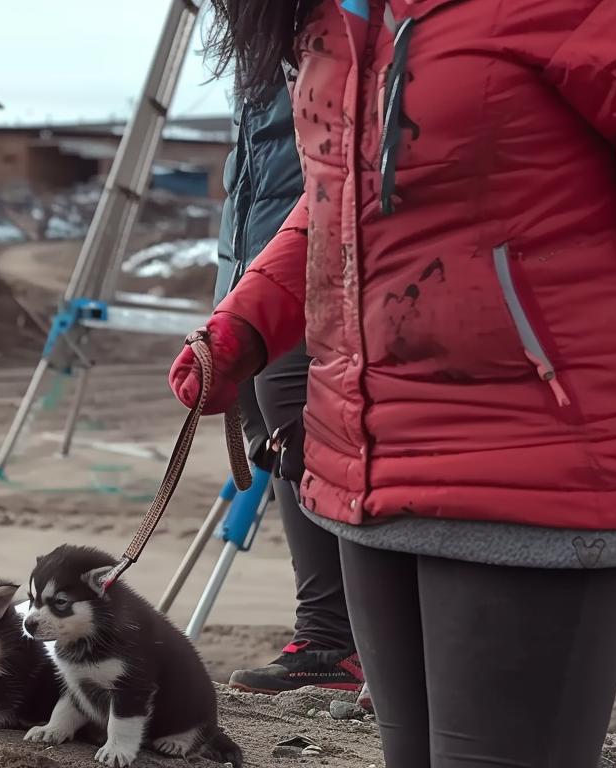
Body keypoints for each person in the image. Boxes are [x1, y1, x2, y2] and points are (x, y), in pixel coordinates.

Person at [173, 0, 616, 766]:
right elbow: (335, 203)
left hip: (532, 471)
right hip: (364, 469)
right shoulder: (336, 20)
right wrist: (247, 320)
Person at [216, 67, 364, 697]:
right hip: (253, 254)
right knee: (273, 438)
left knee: (303, 432)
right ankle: (328, 635)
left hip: (315, 254)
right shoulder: (266, 42)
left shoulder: (336, 28)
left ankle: (338, 640)